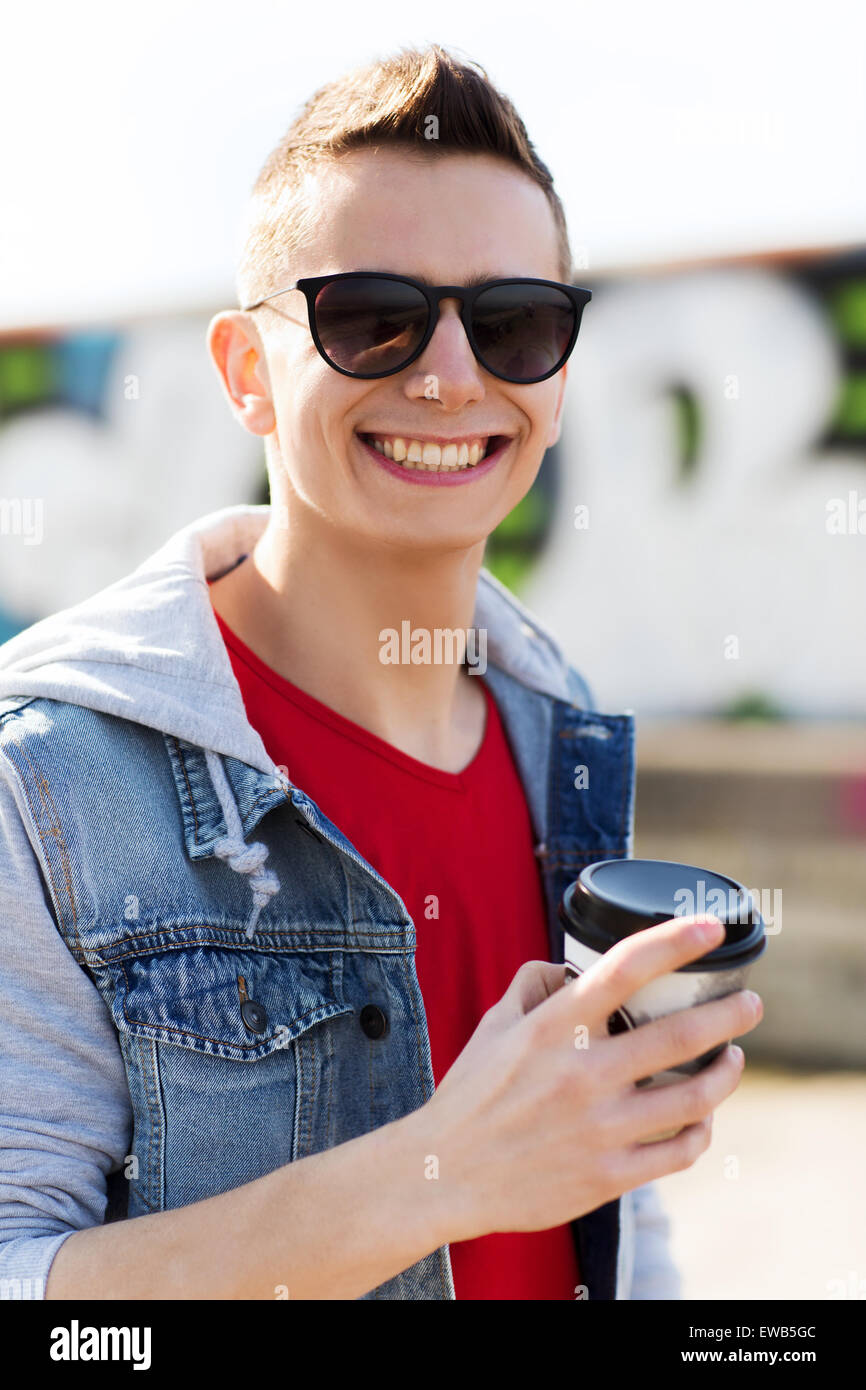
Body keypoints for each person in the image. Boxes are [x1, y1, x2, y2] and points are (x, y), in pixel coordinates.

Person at [0, 44, 761, 1301]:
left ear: (559, 377)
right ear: (247, 371)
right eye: (369, 317)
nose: (448, 374)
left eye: (512, 321)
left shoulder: (559, 740)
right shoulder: (49, 787)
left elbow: (613, 1220)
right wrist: (437, 1175)